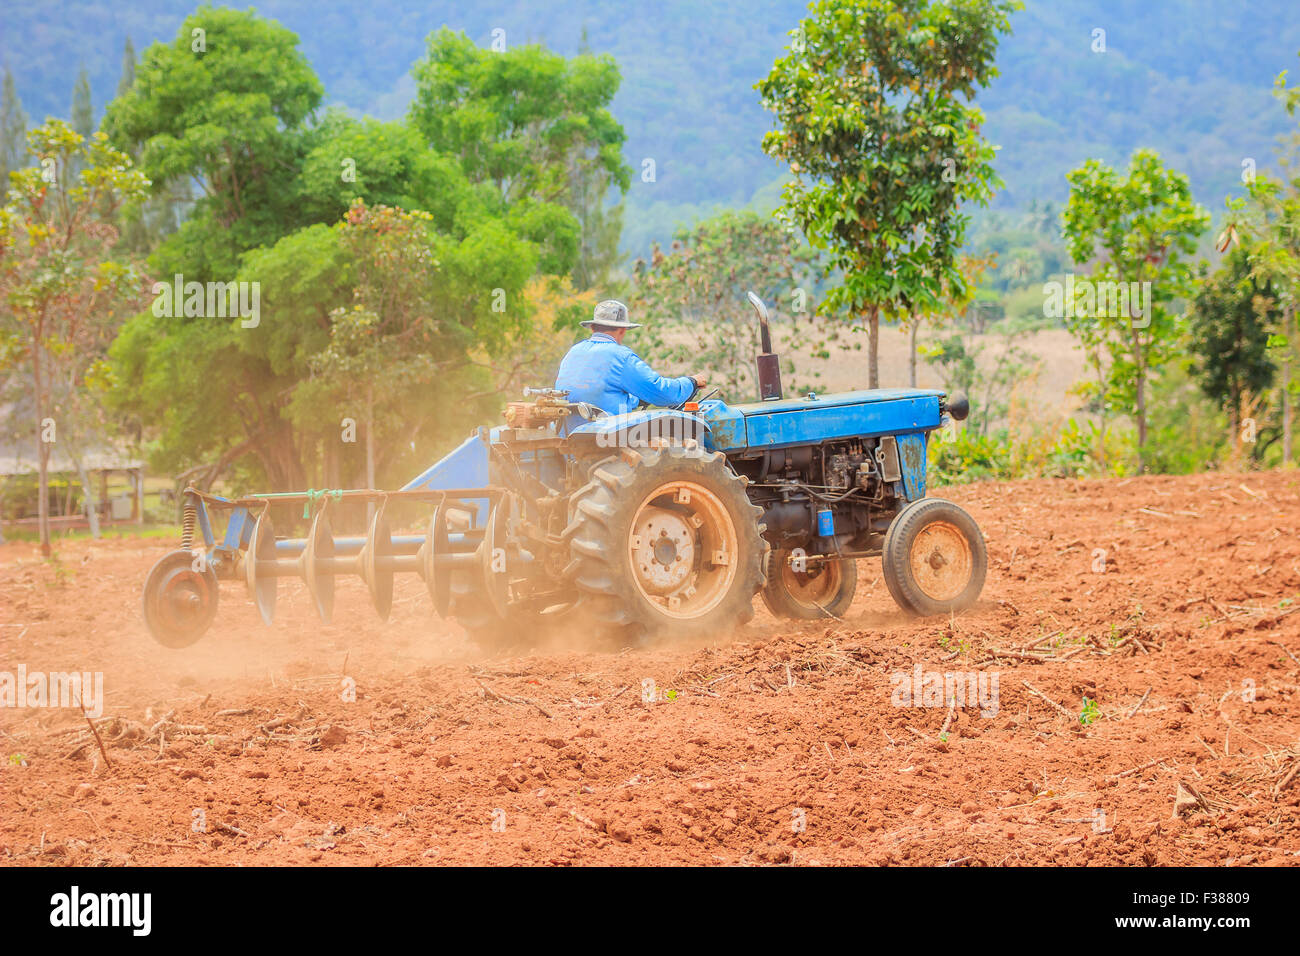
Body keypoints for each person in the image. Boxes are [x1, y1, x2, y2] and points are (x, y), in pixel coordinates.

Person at [554, 300, 707, 429]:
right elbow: (662, 392)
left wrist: (637, 398)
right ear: (622, 330)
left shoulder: (573, 352)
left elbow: (600, 394)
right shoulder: (620, 357)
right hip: (605, 442)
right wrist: (691, 382)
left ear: (593, 328)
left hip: (569, 437)